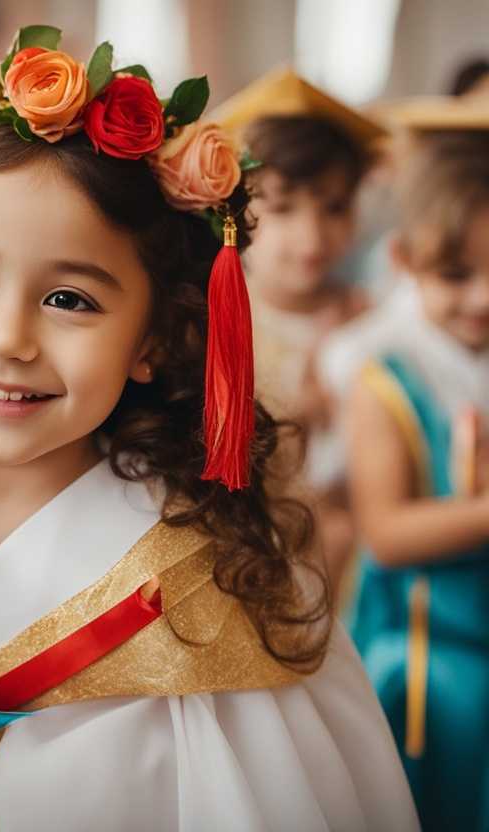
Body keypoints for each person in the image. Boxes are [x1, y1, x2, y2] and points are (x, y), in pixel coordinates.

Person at [0, 30, 418, 831]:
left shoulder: (202, 579)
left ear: (153, 340)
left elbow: (228, 801)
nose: (7, 339)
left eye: (70, 300)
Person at [345, 117, 489, 830]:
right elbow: (387, 533)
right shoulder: (387, 380)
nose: (483, 299)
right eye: (456, 275)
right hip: (433, 660)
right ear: (405, 259)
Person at [211, 69, 388, 581]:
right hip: (254, 557)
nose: (312, 237)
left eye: (334, 208)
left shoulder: (369, 321)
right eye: (283, 208)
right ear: (233, 209)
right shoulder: (213, 324)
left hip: (356, 569)